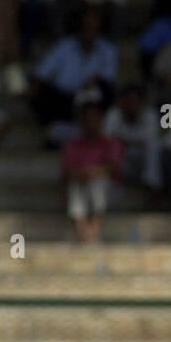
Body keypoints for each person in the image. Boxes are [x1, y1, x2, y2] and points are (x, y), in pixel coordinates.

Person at [62, 98, 124, 243]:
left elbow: (112, 167)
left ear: (101, 119)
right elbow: (67, 171)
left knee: (98, 183)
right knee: (75, 186)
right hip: (80, 186)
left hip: (107, 189)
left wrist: (93, 172)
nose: (90, 122)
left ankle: (94, 227)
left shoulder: (111, 143)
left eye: (94, 118)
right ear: (81, 121)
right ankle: (83, 229)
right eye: (87, 118)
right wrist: (83, 174)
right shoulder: (73, 145)